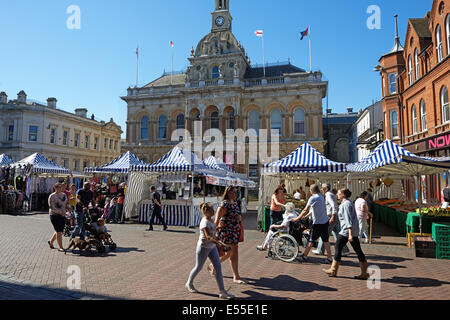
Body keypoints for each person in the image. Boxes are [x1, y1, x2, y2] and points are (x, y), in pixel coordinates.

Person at [186, 203, 234, 299]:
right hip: (203, 247)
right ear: (205, 212)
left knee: (218, 268)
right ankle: (189, 283)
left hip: (212, 247)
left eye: (213, 210)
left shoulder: (211, 220)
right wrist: (219, 244)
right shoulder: (204, 222)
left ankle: (222, 291)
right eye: (211, 210)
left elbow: (213, 235)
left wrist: (220, 243)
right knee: (198, 267)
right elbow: (208, 237)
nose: (213, 211)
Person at [323, 189, 369, 279]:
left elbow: (348, 220)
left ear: (343, 195)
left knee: (338, 248)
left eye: (339, 193)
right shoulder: (348, 202)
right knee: (358, 251)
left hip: (346, 231)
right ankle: (364, 273)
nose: (337, 194)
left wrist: (350, 234)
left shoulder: (345, 204)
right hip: (351, 230)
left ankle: (333, 270)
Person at [209, 186, 246, 284]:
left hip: (234, 231)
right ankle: (234, 275)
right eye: (234, 192)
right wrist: (212, 234)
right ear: (228, 193)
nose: (235, 194)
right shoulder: (224, 204)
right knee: (229, 253)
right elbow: (217, 220)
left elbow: (236, 215)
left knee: (234, 253)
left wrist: (239, 218)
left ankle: (236, 276)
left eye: (236, 192)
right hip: (226, 232)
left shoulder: (235, 203)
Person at [293, 184, 333, 263]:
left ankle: (304, 256)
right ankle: (329, 258)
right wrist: (307, 216)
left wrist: (297, 218)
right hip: (324, 222)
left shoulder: (313, 198)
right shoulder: (321, 196)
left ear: (311, 191)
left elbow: (305, 209)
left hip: (318, 223)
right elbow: (314, 209)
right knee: (326, 241)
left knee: (311, 240)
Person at [313, 184, 350, 256]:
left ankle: (320, 250)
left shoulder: (328, 195)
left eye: (322, 188)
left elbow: (334, 205)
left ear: (326, 188)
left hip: (330, 216)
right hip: (334, 216)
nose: (321, 189)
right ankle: (345, 250)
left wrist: (332, 216)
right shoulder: (331, 194)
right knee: (337, 234)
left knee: (324, 232)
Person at [48, 183, 68, 252]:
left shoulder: (64, 195)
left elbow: (66, 203)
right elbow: (51, 207)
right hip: (54, 215)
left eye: (60, 187)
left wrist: (69, 208)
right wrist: (60, 212)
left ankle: (50, 242)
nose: (60, 188)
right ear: (55, 188)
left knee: (59, 231)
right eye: (58, 187)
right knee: (59, 231)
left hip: (63, 215)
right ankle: (61, 247)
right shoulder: (52, 196)